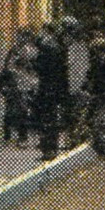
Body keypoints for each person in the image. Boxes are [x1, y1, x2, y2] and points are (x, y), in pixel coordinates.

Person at [34, 22, 69, 161]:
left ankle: (49, 149)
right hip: (56, 89)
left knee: (47, 119)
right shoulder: (61, 49)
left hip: (47, 88)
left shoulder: (49, 50)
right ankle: (51, 148)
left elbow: (39, 67)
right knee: (52, 118)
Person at [0, 28, 40, 145]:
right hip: (18, 82)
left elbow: (35, 65)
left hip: (28, 82)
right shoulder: (15, 50)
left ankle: (22, 136)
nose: (21, 39)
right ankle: (10, 135)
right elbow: (7, 66)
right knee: (14, 108)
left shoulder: (32, 50)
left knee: (23, 109)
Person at [62, 17, 92, 147]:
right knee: (76, 111)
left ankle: (75, 137)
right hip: (77, 83)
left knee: (74, 112)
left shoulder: (75, 48)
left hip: (76, 84)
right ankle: (76, 137)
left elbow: (70, 65)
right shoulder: (83, 48)